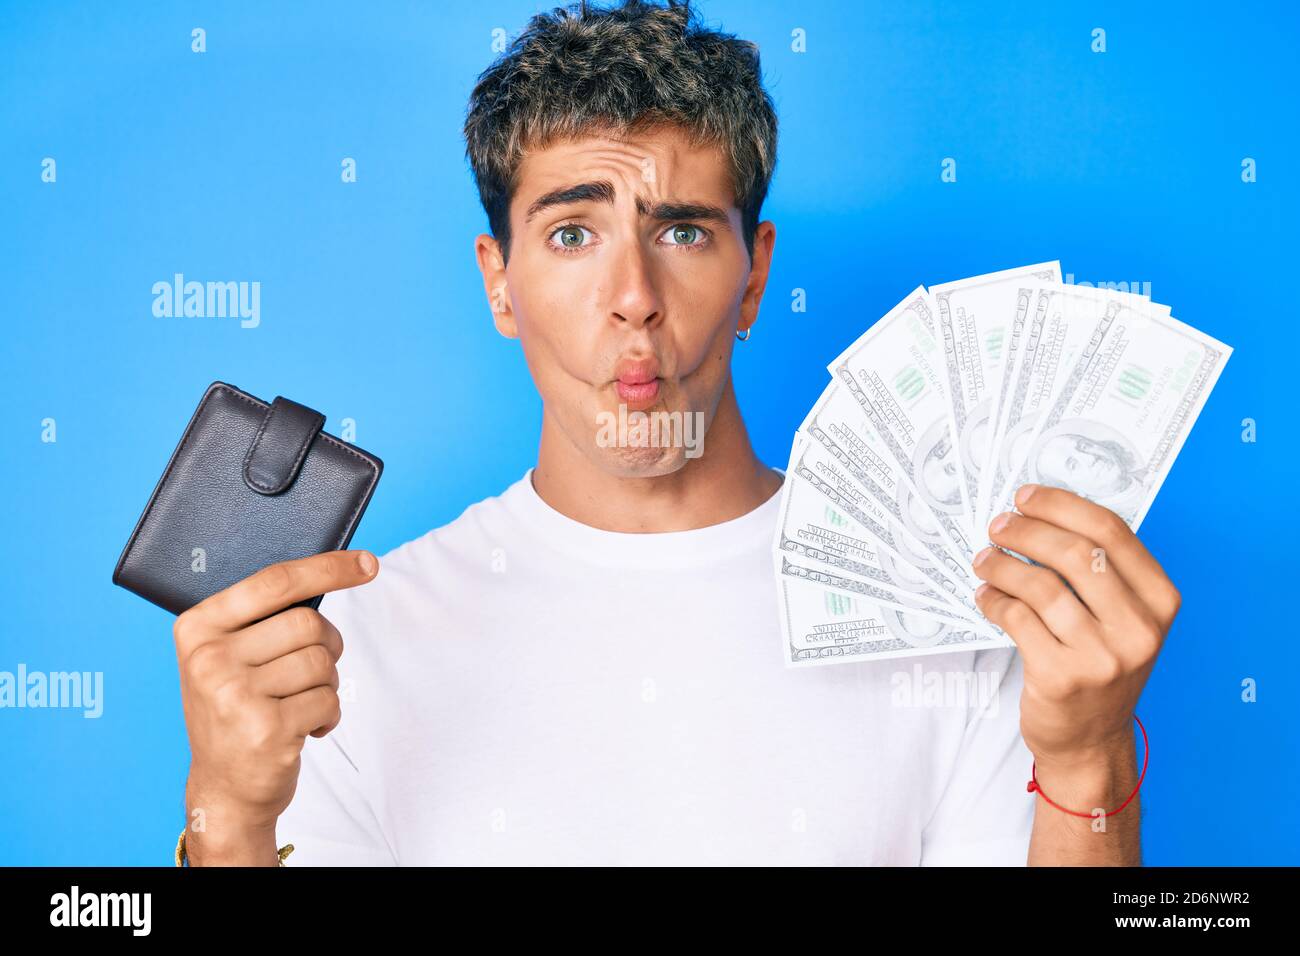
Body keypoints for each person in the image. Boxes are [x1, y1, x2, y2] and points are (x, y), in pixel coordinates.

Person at [175, 0, 1180, 866]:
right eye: (573, 233)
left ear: (751, 274)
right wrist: (228, 821)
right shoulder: (348, 649)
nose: (633, 299)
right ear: (499, 282)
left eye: (683, 231)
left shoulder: (952, 621)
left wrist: (1086, 752)